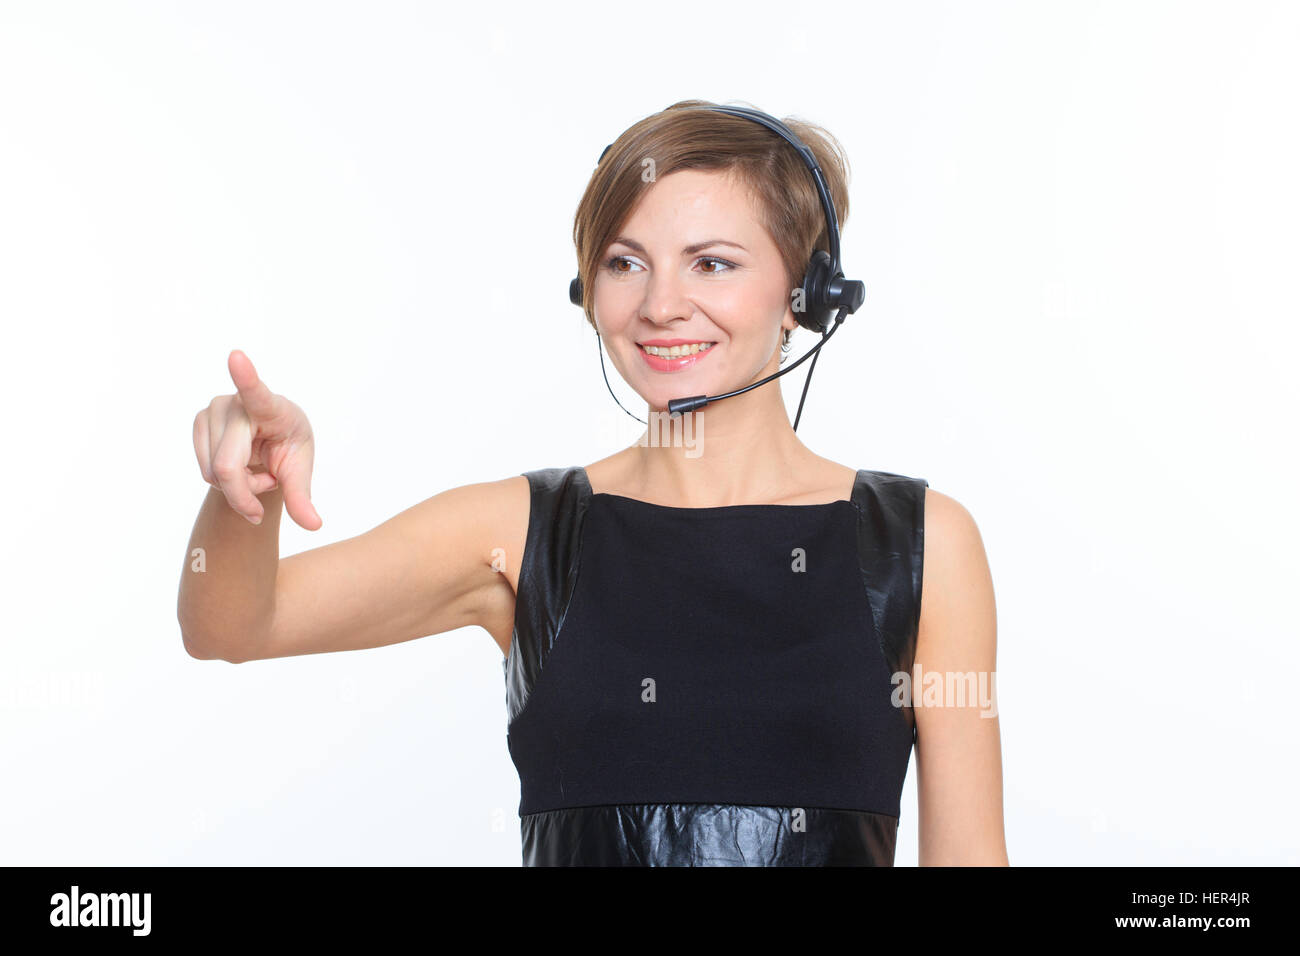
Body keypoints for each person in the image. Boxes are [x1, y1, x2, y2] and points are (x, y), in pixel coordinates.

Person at [178, 99, 1008, 867]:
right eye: (625, 263)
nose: (661, 305)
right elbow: (235, 625)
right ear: (590, 290)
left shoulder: (920, 542)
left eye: (712, 264)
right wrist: (241, 494)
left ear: (806, 294)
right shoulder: (523, 530)